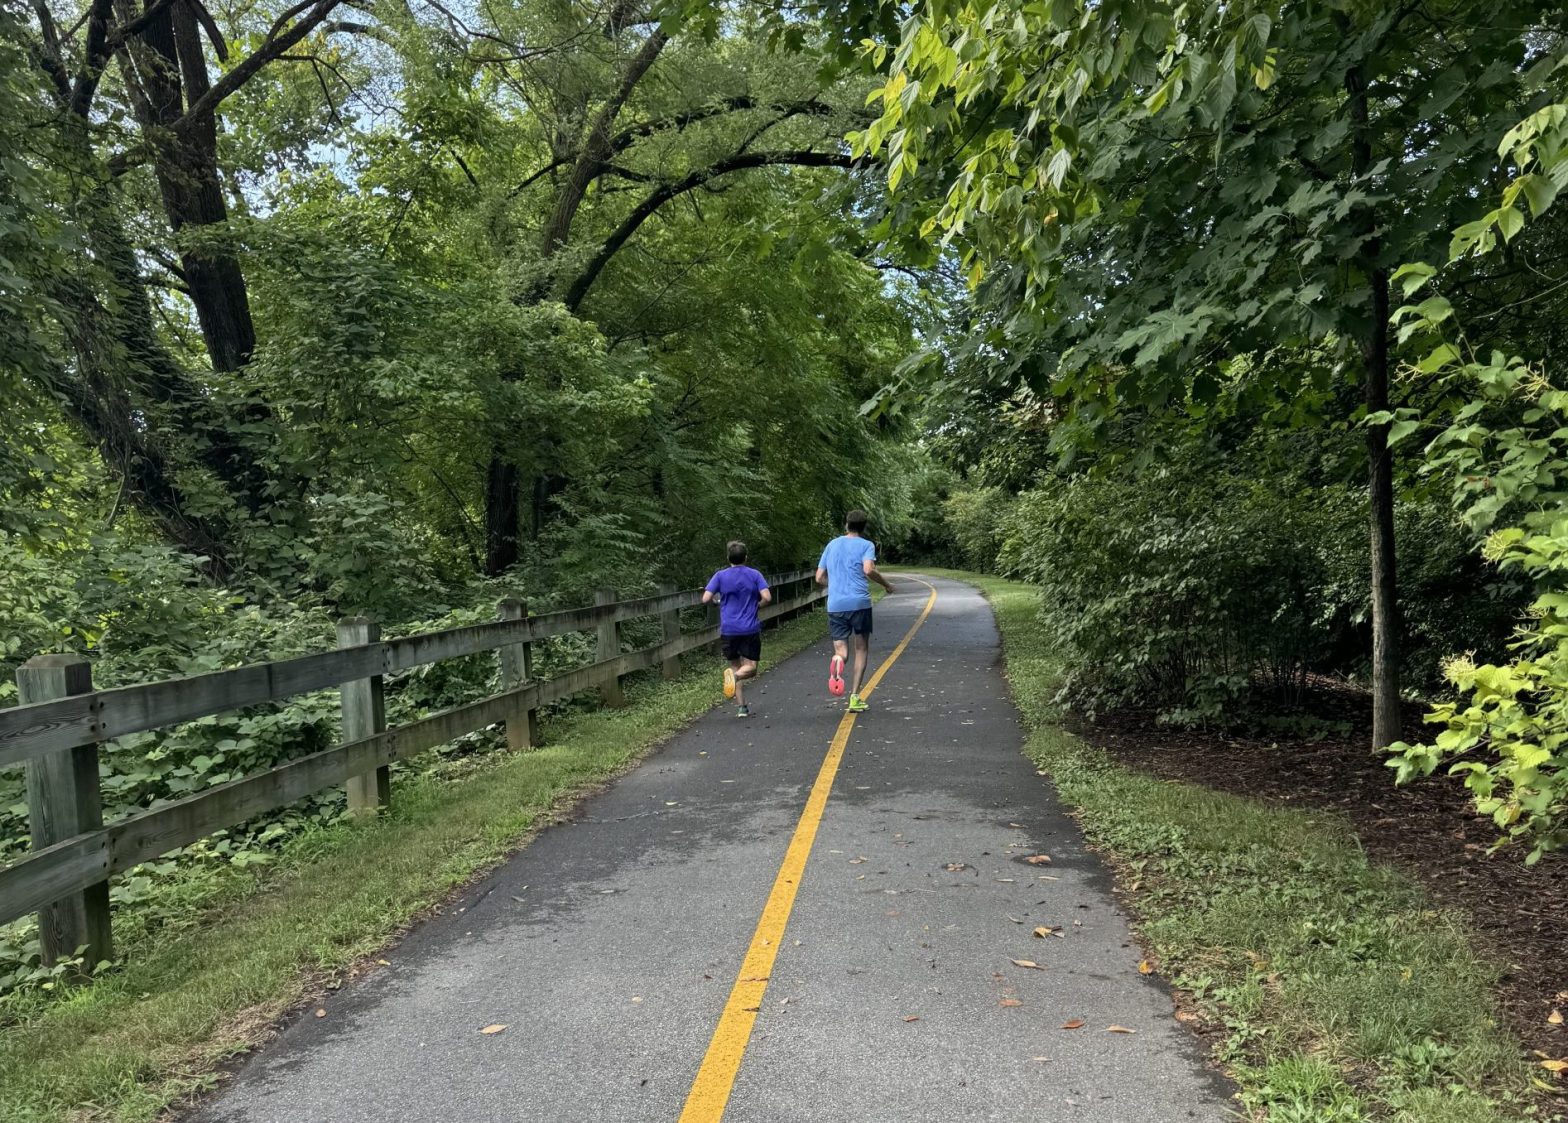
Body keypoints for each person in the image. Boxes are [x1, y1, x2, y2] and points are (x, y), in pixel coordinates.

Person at [816, 510, 895, 713]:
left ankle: (837, 661)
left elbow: (819, 577)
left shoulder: (831, 545)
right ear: (864, 527)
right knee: (861, 648)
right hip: (859, 603)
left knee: (841, 651)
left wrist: (834, 585)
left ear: (846, 524)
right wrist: (886, 584)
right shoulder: (866, 545)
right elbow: (868, 570)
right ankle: (854, 697)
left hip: (836, 604)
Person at [702, 541, 772, 718]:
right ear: (746, 557)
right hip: (749, 628)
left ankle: (741, 708)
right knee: (751, 668)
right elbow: (767, 597)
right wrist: (758, 605)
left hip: (729, 629)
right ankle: (734, 679)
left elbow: (705, 598)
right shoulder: (754, 574)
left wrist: (716, 602)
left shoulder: (720, 576)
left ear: (728, 558)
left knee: (735, 666)